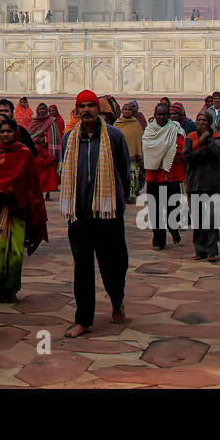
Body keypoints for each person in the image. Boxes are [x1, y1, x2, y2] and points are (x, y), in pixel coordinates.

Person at [59, 90, 130, 337]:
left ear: (98, 110)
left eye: (91, 106)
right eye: (82, 106)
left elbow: (123, 170)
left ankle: (116, 300)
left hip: (108, 213)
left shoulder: (115, 136)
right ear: (76, 111)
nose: (87, 110)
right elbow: (64, 170)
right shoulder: (70, 139)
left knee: (113, 264)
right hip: (79, 214)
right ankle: (83, 319)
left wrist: (117, 201)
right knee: (83, 268)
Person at [0, 117, 47, 302]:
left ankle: (10, 289)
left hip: (17, 206)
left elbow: (30, 180)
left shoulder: (24, 153)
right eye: (2, 131)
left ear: (16, 133)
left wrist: (15, 194)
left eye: (9, 131)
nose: (5, 134)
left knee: (14, 250)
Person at [142, 101, 185, 250]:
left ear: (169, 116)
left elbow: (179, 150)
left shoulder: (176, 129)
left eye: (165, 115)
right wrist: (164, 150)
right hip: (154, 177)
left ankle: (174, 230)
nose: (161, 117)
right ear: (154, 115)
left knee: (173, 209)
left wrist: (162, 152)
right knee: (155, 210)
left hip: (171, 176)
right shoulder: (149, 131)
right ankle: (158, 240)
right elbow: (148, 149)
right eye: (159, 114)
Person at [181, 112, 220, 262]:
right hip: (194, 184)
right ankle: (199, 250)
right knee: (198, 219)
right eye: (198, 119)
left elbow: (218, 152)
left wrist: (206, 140)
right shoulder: (190, 137)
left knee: (211, 219)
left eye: (204, 120)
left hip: (211, 183)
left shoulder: (217, 136)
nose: (201, 122)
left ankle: (211, 250)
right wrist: (204, 149)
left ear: (209, 122)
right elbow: (188, 157)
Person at [28, 103, 62, 198]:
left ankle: (47, 192)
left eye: (44, 109)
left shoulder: (51, 121)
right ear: (37, 110)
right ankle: (38, 191)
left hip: (48, 151)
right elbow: (30, 136)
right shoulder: (34, 122)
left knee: (48, 174)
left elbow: (55, 136)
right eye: (40, 109)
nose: (42, 111)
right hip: (37, 151)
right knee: (37, 173)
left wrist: (46, 139)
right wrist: (38, 140)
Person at [114, 100, 145, 201]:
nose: (127, 111)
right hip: (120, 157)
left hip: (133, 158)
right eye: (125, 109)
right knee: (120, 176)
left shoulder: (136, 124)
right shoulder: (117, 124)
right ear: (122, 111)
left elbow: (139, 139)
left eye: (129, 110)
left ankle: (132, 196)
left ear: (133, 112)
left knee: (134, 176)